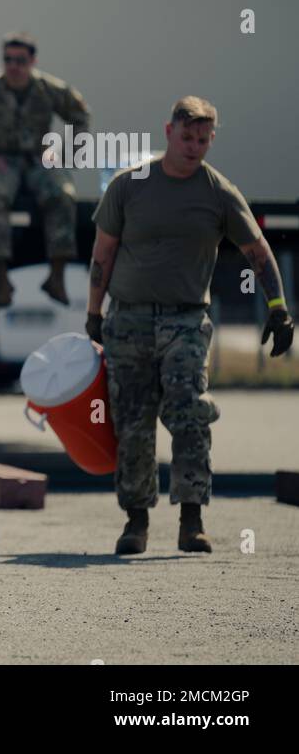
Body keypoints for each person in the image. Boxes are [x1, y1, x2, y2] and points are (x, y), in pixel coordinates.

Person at [86, 96, 293, 555]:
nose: (194, 147)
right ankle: (136, 521)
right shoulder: (129, 186)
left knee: (190, 412)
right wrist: (93, 313)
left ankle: (191, 519)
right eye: (186, 137)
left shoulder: (217, 192)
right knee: (133, 421)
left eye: (203, 139)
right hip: (131, 319)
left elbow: (258, 253)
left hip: (184, 320)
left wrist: (278, 307)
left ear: (211, 139)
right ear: (168, 132)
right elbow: (103, 254)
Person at [0, 31, 90, 306]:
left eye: (20, 60)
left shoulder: (48, 89)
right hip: (0, 160)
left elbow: (80, 115)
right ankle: (0, 280)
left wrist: (64, 153)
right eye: (8, 59)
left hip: (37, 159)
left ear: (32, 60)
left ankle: (56, 276)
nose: (13, 66)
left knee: (62, 194)